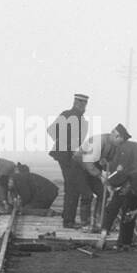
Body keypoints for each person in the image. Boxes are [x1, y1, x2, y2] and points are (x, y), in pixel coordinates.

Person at [47, 93, 90, 228]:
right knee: (72, 187)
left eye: (84, 104)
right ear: (78, 103)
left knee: (71, 185)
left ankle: (67, 218)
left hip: (67, 155)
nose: (83, 106)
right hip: (68, 156)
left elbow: (51, 130)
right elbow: (51, 130)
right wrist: (64, 143)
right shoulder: (73, 117)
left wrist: (60, 143)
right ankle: (68, 221)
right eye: (81, 104)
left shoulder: (70, 116)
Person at [72, 131, 115, 230]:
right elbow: (88, 162)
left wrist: (104, 163)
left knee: (103, 193)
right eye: (120, 141)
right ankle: (85, 223)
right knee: (87, 194)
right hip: (80, 166)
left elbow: (107, 160)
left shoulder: (113, 144)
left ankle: (98, 221)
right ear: (116, 136)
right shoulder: (98, 141)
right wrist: (100, 176)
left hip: (92, 168)